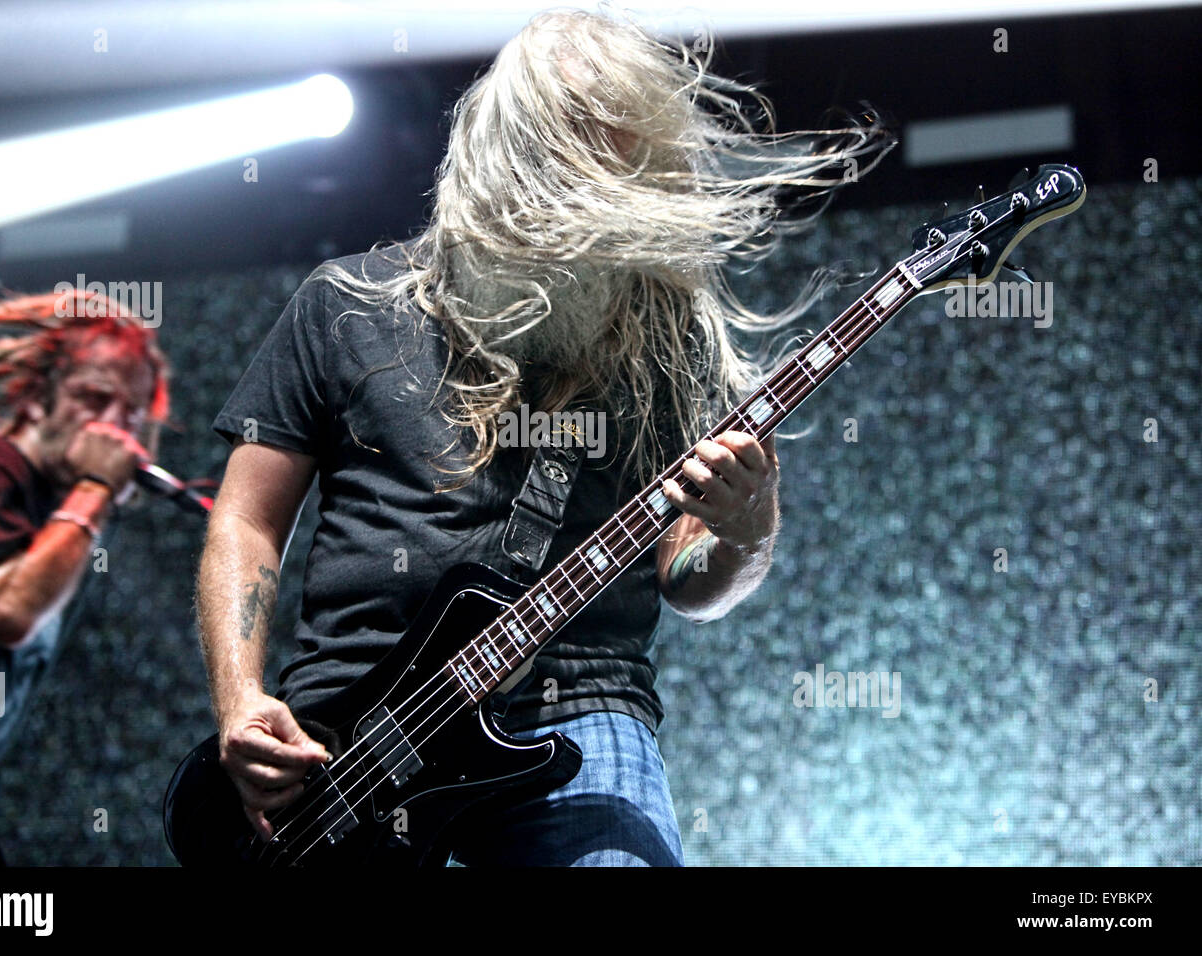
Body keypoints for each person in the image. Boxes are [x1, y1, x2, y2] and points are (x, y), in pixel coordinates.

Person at [196, 9, 892, 865]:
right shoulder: (345, 303)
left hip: (581, 709)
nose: (595, 198)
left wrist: (748, 531)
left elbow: (687, 578)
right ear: (503, 158)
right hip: (343, 738)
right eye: (571, 162)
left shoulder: (667, 338)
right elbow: (246, 521)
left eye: (619, 167)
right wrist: (240, 704)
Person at [0, 289, 169, 865]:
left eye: (132, 413)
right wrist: (96, 489)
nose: (115, 427)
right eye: (93, 399)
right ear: (37, 395)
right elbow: (11, 611)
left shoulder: (49, 509)